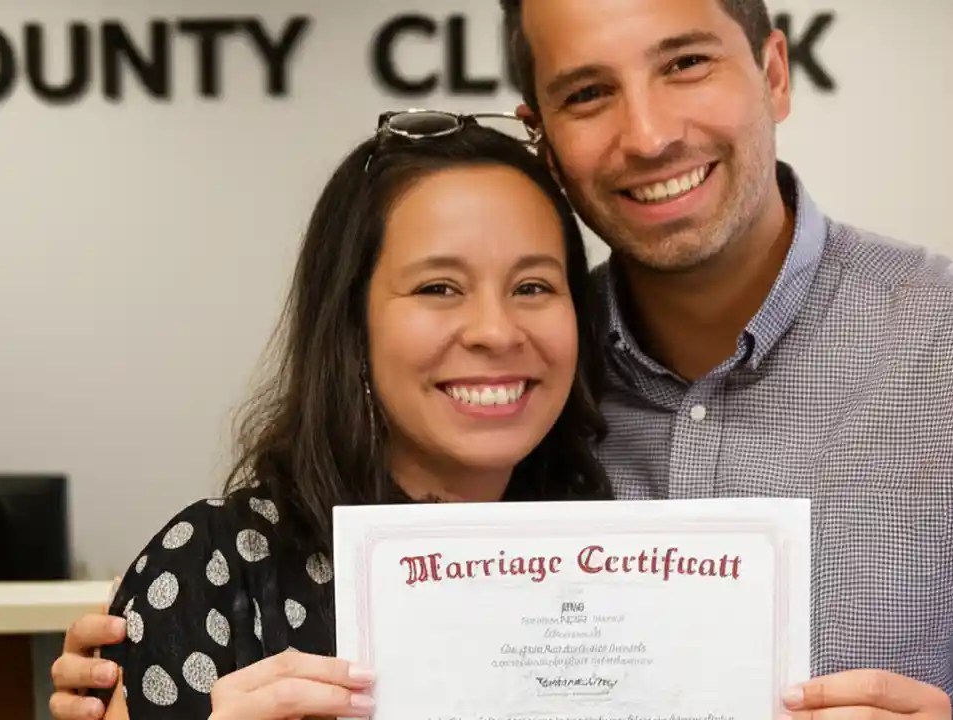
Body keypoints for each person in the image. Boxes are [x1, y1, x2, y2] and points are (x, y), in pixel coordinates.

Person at [51, 1, 953, 718]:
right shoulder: (532, 404)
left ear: (772, 72)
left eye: (684, 63)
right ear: (543, 128)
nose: (645, 133)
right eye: (588, 93)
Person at [60, 113, 614, 719]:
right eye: (438, 288)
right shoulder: (214, 570)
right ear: (352, 324)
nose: (495, 330)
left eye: (533, 286)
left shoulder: (625, 562)